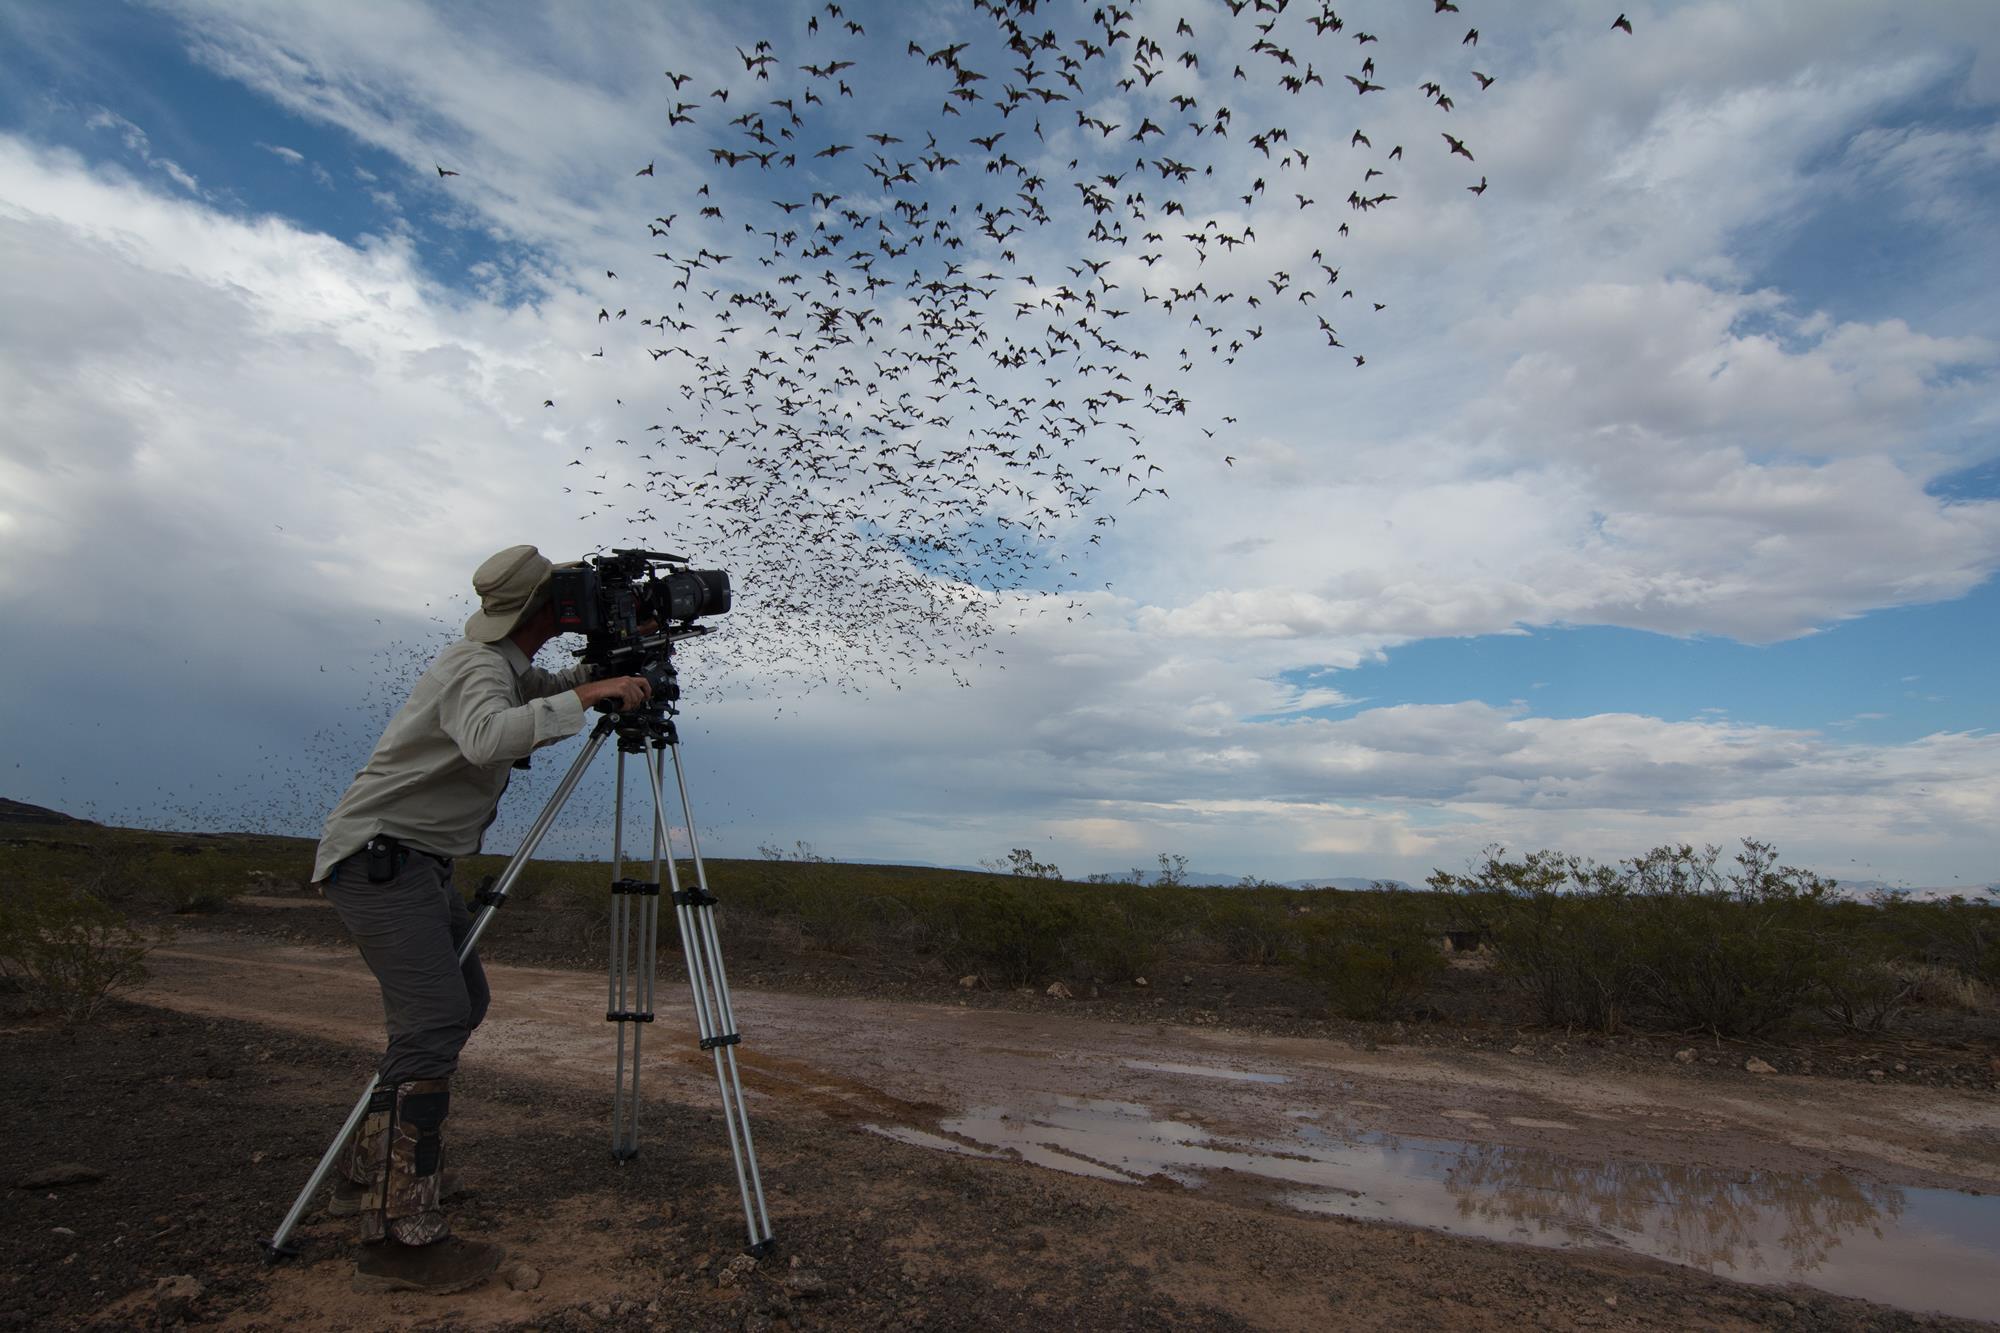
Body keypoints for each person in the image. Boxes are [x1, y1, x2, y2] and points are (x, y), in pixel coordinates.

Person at [310, 544, 651, 1294]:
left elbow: (541, 691)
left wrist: (603, 678)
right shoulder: (476, 665)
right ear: (546, 608)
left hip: (414, 861)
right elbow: (489, 735)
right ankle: (401, 1238)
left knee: (463, 1005)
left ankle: (371, 1178)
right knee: (432, 1021)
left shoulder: (501, 663)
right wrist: (594, 698)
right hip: (381, 861)